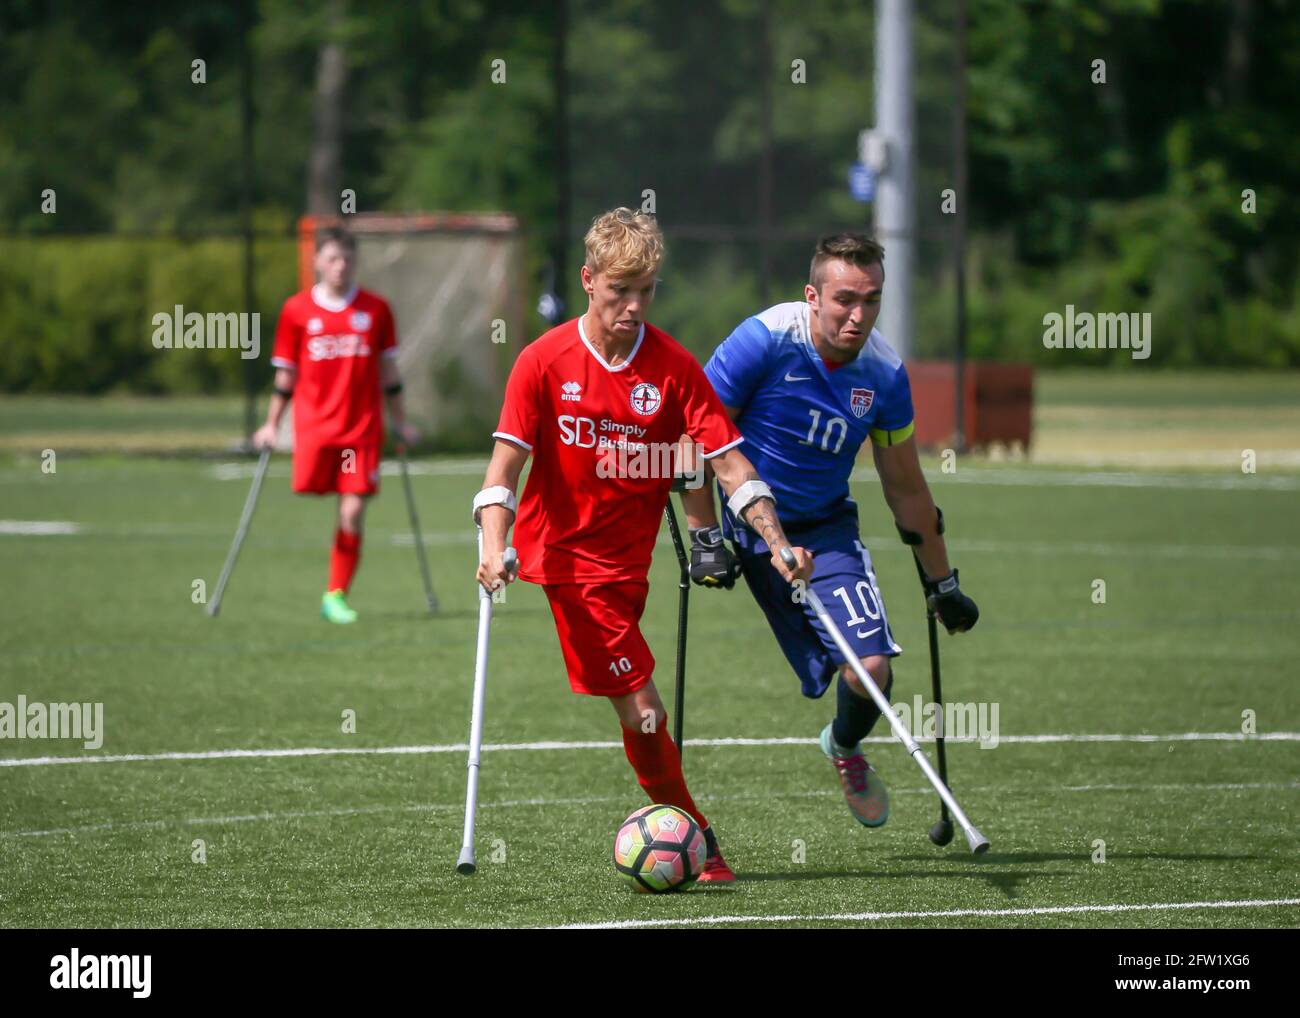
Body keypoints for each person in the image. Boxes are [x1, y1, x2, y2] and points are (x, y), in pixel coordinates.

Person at [474, 208, 814, 881]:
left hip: (631, 567)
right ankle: (699, 839)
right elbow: (502, 473)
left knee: (641, 714)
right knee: (646, 709)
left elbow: (726, 463)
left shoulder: (674, 367)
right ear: (588, 280)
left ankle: (686, 828)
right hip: (570, 566)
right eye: (619, 290)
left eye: (647, 291)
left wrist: (774, 540)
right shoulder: (542, 361)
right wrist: (493, 546)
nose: (634, 306)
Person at [681, 233, 980, 828]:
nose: (858, 316)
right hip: (749, 520)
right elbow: (698, 437)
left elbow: (906, 486)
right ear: (812, 296)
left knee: (872, 669)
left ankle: (843, 745)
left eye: (872, 300)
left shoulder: (885, 374)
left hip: (825, 529)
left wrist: (942, 582)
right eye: (845, 299)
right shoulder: (764, 340)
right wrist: (705, 535)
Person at [253, 226, 418, 624]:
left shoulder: (376, 310)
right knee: (310, 492)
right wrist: (271, 424)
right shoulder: (296, 311)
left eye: (347, 258)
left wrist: (400, 422)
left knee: (353, 509)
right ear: (317, 262)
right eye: (332, 258)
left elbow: (389, 372)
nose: (340, 266)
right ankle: (329, 589)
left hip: (360, 431)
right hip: (315, 428)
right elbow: (286, 375)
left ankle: (335, 594)